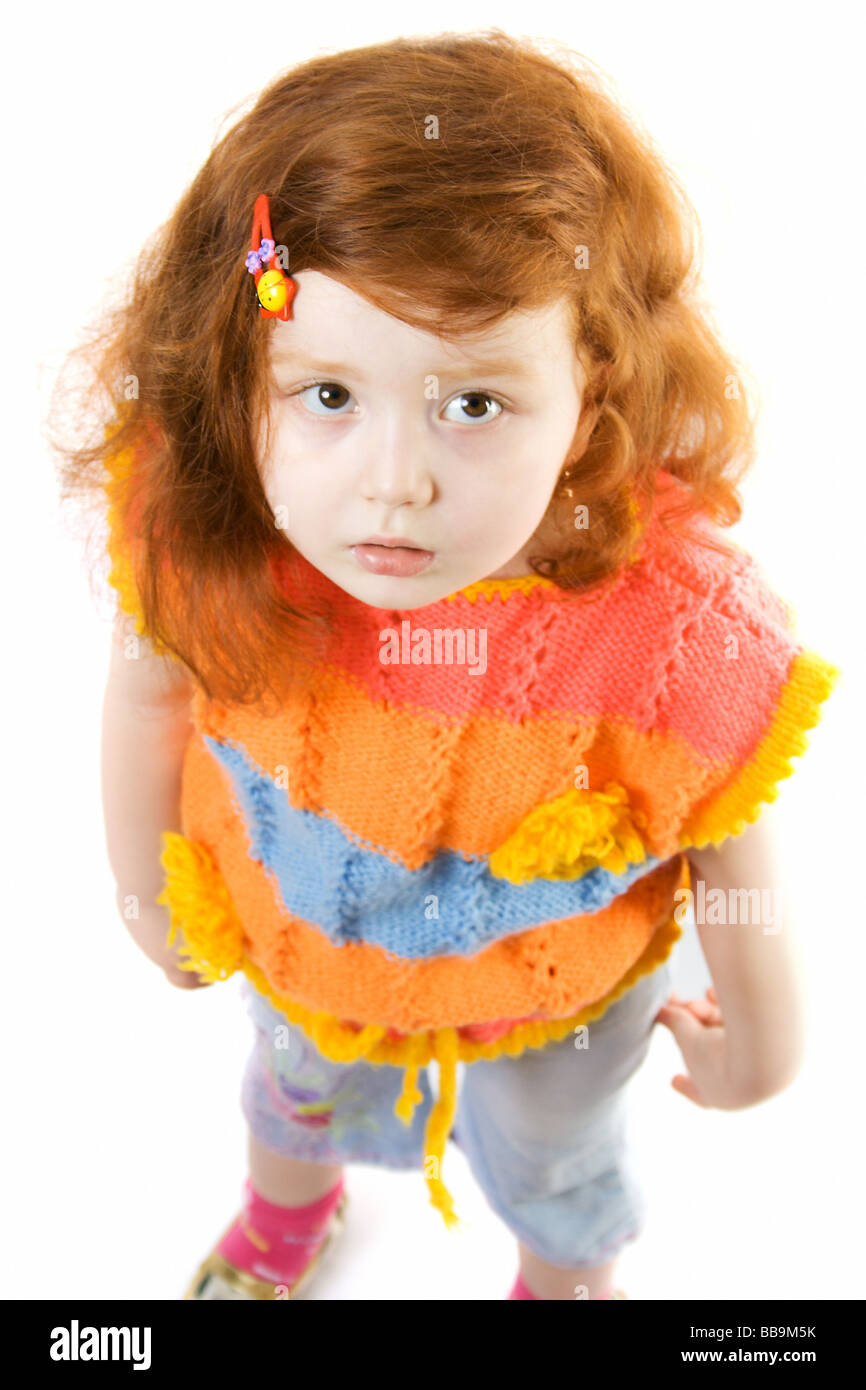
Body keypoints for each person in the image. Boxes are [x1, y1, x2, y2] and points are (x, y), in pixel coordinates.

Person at [53, 30, 840, 1301]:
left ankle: (560, 1282)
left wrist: (764, 1042)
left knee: (555, 1159)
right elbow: (147, 697)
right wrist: (146, 893)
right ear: (240, 367)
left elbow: (729, 840)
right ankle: (284, 1215)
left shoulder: (676, 632)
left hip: (557, 989)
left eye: (472, 404)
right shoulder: (206, 533)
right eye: (325, 395)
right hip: (303, 937)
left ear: (589, 389)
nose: (394, 483)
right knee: (292, 1096)